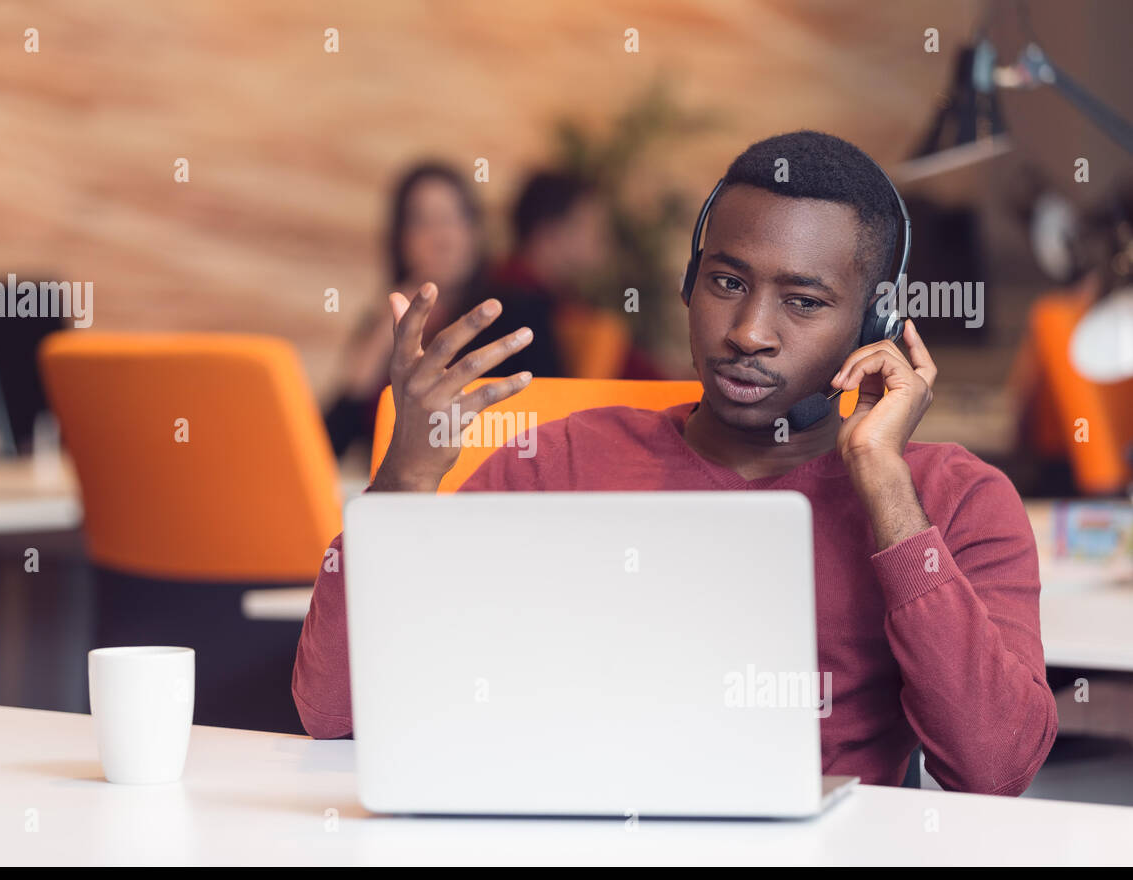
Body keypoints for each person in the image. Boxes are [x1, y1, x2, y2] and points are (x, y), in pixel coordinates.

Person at [294, 130, 1057, 795]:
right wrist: (402, 483)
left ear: (877, 321)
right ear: (691, 284)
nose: (749, 332)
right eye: (727, 283)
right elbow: (332, 712)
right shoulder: (560, 461)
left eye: (804, 302)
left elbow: (994, 767)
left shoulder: (954, 499)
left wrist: (886, 486)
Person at [323, 161, 562, 462]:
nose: (442, 237)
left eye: (454, 218)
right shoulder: (387, 319)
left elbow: (544, 428)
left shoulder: (513, 312)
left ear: (475, 231)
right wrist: (381, 337)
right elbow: (328, 446)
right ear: (401, 240)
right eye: (423, 222)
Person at [493, 170, 667, 379]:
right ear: (550, 233)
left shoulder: (564, 304)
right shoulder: (514, 308)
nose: (604, 242)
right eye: (595, 230)